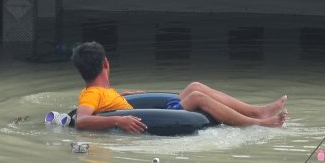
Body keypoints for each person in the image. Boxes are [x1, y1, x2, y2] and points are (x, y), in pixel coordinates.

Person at [70, 41, 287, 132]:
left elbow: (105, 102)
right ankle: (256, 122)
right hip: (157, 118)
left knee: (195, 85)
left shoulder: (97, 92)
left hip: (155, 111)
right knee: (197, 97)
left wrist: (123, 95)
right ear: (106, 63)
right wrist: (118, 119)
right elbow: (82, 120)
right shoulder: (90, 95)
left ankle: (256, 110)